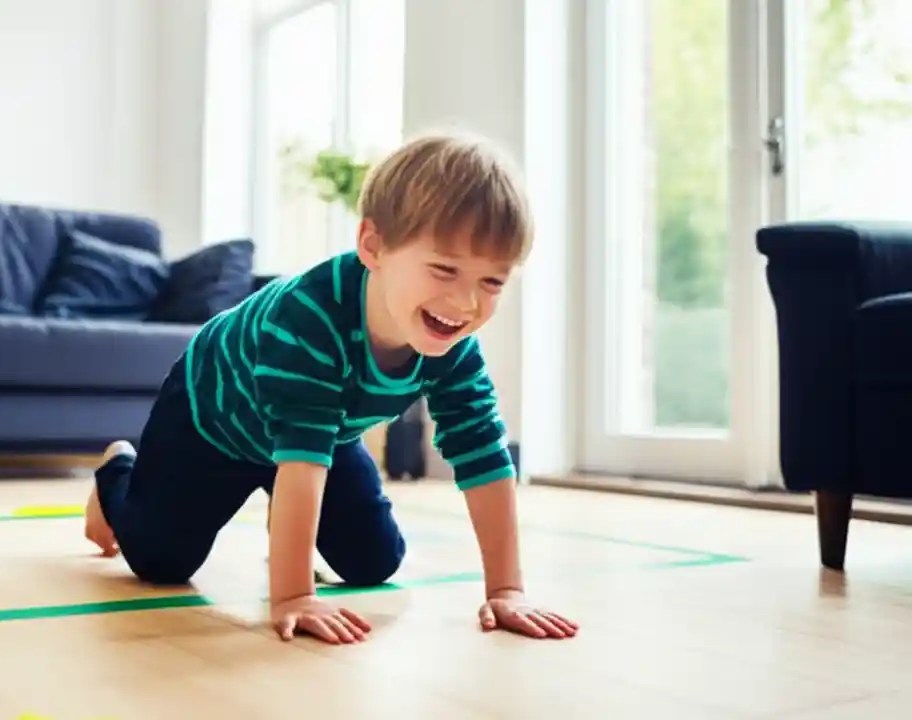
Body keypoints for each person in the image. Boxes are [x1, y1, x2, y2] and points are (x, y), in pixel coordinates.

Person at [85, 132, 578, 644]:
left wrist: (506, 589)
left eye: (492, 282)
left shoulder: (454, 345)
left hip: (318, 435)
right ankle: (118, 472)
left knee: (375, 561)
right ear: (373, 246)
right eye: (444, 270)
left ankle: (285, 498)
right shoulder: (310, 319)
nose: (465, 303)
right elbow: (303, 460)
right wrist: (294, 596)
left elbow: (483, 455)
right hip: (213, 421)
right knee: (161, 562)